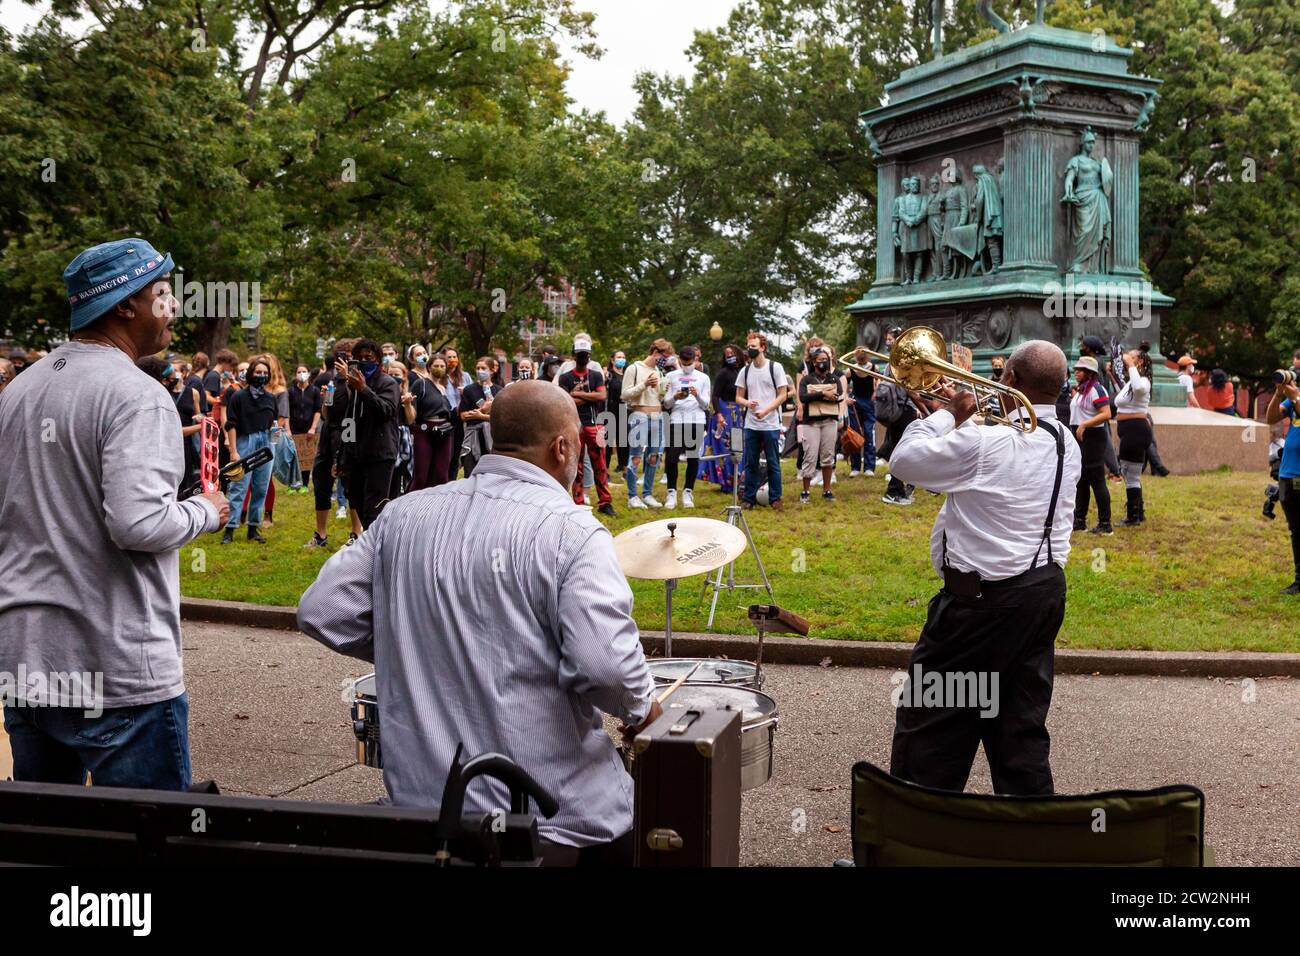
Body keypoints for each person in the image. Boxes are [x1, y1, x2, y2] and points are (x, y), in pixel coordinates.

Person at [298, 381, 661, 865]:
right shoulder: (570, 529)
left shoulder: (404, 513)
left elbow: (322, 609)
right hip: (555, 823)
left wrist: (423, 642)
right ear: (563, 447)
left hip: (426, 813)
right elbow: (606, 670)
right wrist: (646, 712)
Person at [0, 237, 229, 790]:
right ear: (126, 305)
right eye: (163, 293)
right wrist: (207, 509)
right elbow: (139, 524)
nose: (173, 308)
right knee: (148, 848)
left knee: (50, 839)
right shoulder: (137, 394)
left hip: (27, 665)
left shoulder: (18, 391)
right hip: (118, 674)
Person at [887, 340, 1081, 795]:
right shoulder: (1065, 442)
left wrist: (946, 414)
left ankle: (905, 847)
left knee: (930, 728)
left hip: (979, 607)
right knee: (1019, 729)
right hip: (1041, 594)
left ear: (1009, 378)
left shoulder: (984, 441)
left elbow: (904, 462)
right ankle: (1027, 843)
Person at [335, 339, 402, 529]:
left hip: (379, 454)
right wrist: (340, 458)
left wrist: (364, 389)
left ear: (378, 360)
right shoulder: (351, 385)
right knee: (358, 504)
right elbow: (347, 421)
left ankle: (376, 553)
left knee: (375, 508)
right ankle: (370, 546)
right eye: (359, 358)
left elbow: (386, 411)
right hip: (356, 454)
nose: (364, 361)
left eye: (369, 358)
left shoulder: (388, 383)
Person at [305, 339, 364, 549]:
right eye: (340, 353)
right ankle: (320, 535)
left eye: (348, 354)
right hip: (329, 431)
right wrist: (325, 401)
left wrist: (348, 375)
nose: (344, 357)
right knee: (321, 480)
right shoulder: (331, 380)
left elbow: (357, 406)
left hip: (349, 430)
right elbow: (326, 414)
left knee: (350, 482)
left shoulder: (357, 379)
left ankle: (357, 534)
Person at [221, 355, 279, 544]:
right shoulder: (239, 397)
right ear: (251, 373)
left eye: (265, 373)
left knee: (261, 487)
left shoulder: (271, 398)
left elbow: (274, 422)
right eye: (258, 372)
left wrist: (276, 437)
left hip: (266, 443)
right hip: (245, 441)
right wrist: (233, 450)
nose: (261, 375)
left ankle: (253, 528)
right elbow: (231, 424)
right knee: (239, 486)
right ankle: (229, 529)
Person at [556, 334, 616, 516]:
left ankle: (605, 502)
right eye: (580, 354)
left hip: (595, 425)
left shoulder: (596, 375)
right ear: (574, 356)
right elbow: (565, 400)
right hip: (573, 425)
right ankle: (578, 502)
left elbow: (601, 396)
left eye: (586, 354)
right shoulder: (565, 377)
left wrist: (578, 395)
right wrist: (586, 396)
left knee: (601, 465)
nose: (583, 357)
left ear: (589, 356)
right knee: (576, 465)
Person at [736, 331, 789, 511]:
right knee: (750, 462)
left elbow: (783, 395)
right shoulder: (745, 371)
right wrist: (747, 403)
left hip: (771, 423)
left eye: (753, 346)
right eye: (748, 346)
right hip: (751, 424)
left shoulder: (776, 368)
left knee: (773, 462)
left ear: (763, 347)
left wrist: (766, 410)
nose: (750, 349)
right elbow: (738, 397)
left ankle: (775, 498)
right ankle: (749, 499)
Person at [621, 339, 672, 509]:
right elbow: (625, 394)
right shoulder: (634, 368)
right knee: (635, 457)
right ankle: (632, 496)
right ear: (656, 352)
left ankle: (647, 493)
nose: (665, 360)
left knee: (654, 457)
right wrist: (644, 384)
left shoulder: (658, 371)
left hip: (657, 416)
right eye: (664, 356)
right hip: (639, 416)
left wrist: (664, 391)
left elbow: (658, 397)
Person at [662, 345, 711, 509]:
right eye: (684, 362)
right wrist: (675, 396)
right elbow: (666, 403)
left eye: (689, 362)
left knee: (692, 457)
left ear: (695, 360)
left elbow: (706, 405)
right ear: (679, 361)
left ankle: (688, 491)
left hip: (696, 419)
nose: (687, 366)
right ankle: (671, 492)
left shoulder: (703, 378)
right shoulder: (671, 376)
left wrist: (696, 395)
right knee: (671, 458)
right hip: (676, 419)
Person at [1070, 356, 1113, 535]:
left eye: (1080, 369)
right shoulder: (1082, 390)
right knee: (1082, 481)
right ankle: (1079, 520)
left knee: (1097, 480)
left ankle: (1105, 523)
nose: (1076, 372)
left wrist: (1085, 424)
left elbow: (1107, 413)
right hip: (1081, 437)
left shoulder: (1096, 389)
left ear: (1090, 373)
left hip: (1093, 437)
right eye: (1076, 369)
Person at [1267, 365, 1300, 594]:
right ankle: (1299, 580)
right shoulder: (1291, 400)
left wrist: (1295, 396)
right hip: (1289, 473)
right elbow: (1270, 417)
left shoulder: (1297, 399)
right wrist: (1279, 394)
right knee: (1296, 529)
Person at [1113, 342, 1154, 526]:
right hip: (1130, 430)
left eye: (1133, 357)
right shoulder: (1133, 381)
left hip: (1136, 431)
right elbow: (1122, 397)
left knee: (1131, 473)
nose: (1128, 359)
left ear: (1140, 363)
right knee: (1130, 472)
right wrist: (1112, 375)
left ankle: (1133, 516)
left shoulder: (1143, 382)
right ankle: (1139, 512)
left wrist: (1129, 365)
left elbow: (1137, 389)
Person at [878, 327, 919, 505]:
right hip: (900, 411)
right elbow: (908, 387)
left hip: (906, 410)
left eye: (890, 339)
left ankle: (904, 487)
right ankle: (893, 491)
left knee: (905, 450)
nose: (888, 342)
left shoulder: (902, 361)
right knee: (900, 451)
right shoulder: (895, 362)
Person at [405, 347, 455, 491]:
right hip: (425, 431)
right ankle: (411, 506)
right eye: (436, 365)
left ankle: (435, 508)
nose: (439, 368)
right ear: (429, 366)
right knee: (421, 476)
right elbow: (411, 417)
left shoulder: (444, 387)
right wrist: (407, 404)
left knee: (441, 475)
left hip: (444, 432)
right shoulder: (421, 384)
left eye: (442, 366)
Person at [798, 346, 843, 504]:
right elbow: (803, 397)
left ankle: (827, 490)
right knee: (809, 456)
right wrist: (824, 393)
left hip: (830, 421)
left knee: (828, 456)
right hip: (811, 423)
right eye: (819, 361)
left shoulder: (834, 379)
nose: (823, 363)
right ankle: (805, 491)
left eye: (825, 360)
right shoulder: (807, 380)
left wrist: (820, 395)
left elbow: (839, 396)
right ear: (813, 362)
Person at [699, 343, 746, 492]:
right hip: (724, 415)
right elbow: (715, 396)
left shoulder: (743, 372)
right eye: (727, 355)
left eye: (732, 354)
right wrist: (718, 414)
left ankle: (738, 480)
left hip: (738, 414)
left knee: (738, 448)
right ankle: (726, 482)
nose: (730, 357)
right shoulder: (723, 373)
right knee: (725, 449)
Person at [458, 355, 500, 478]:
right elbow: (463, 415)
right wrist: (482, 410)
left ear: (492, 370)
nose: (480, 371)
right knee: (471, 473)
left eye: (483, 368)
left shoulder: (499, 391)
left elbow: (500, 418)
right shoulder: (469, 390)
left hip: (492, 438)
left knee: (490, 475)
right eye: (478, 368)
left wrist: (481, 416)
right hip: (473, 437)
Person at [289, 363, 323, 492]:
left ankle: (304, 484)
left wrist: (313, 428)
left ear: (308, 374)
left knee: (306, 457)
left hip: (309, 429)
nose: (301, 374)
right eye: (299, 372)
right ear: (295, 375)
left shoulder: (314, 391)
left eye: (304, 371)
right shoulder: (291, 391)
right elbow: (288, 411)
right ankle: (292, 484)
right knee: (293, 457)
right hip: (294, 428)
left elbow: (317, 410)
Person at [442, 347, 473, 480]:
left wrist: (465, 393)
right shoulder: (441, 376)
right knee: (445, 456)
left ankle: (451, 481)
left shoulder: (464, 376)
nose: (452, 360)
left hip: (459, 419)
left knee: (455, 455)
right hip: (445, 418)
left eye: (455, 357)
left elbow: (472, 393)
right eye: (449, 357)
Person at [845, 353, 877, 478]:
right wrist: (847, 397)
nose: (862, 358)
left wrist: (876, 392)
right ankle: (855, 467)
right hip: (855, 403)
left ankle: (869, 467)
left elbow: (878, 381)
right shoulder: (850, 370)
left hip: (869, 403)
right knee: (854, 434)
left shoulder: (874, 368)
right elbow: (844, 385)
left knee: (870, 434)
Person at [605, 351, 628, 476]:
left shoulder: (627, 376)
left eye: (623, 357)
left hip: (624, 411)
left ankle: (625, 469)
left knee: (624, 441)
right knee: (608, 443)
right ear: (613, 360)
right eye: (619, 357)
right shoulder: (609, 375)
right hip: (610, 411)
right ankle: (605, 471)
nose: (622, 359)